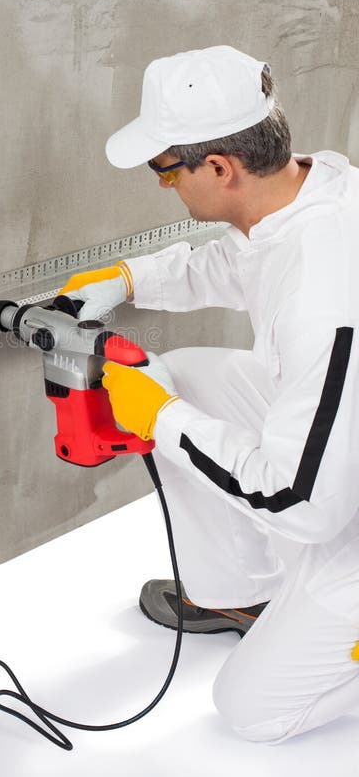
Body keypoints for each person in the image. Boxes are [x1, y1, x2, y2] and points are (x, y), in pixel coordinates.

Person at [59, 46, 359, 743]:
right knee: (192, 374)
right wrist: (130, 279)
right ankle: (247, 599)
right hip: (348, 445)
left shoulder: (325, 290)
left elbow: (302, 502)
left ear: (220, 167)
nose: (162, 185)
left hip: (333, 501)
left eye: (165, 170)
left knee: (252, 710)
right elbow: (241, 259)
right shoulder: (316, 194)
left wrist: (162, 421)